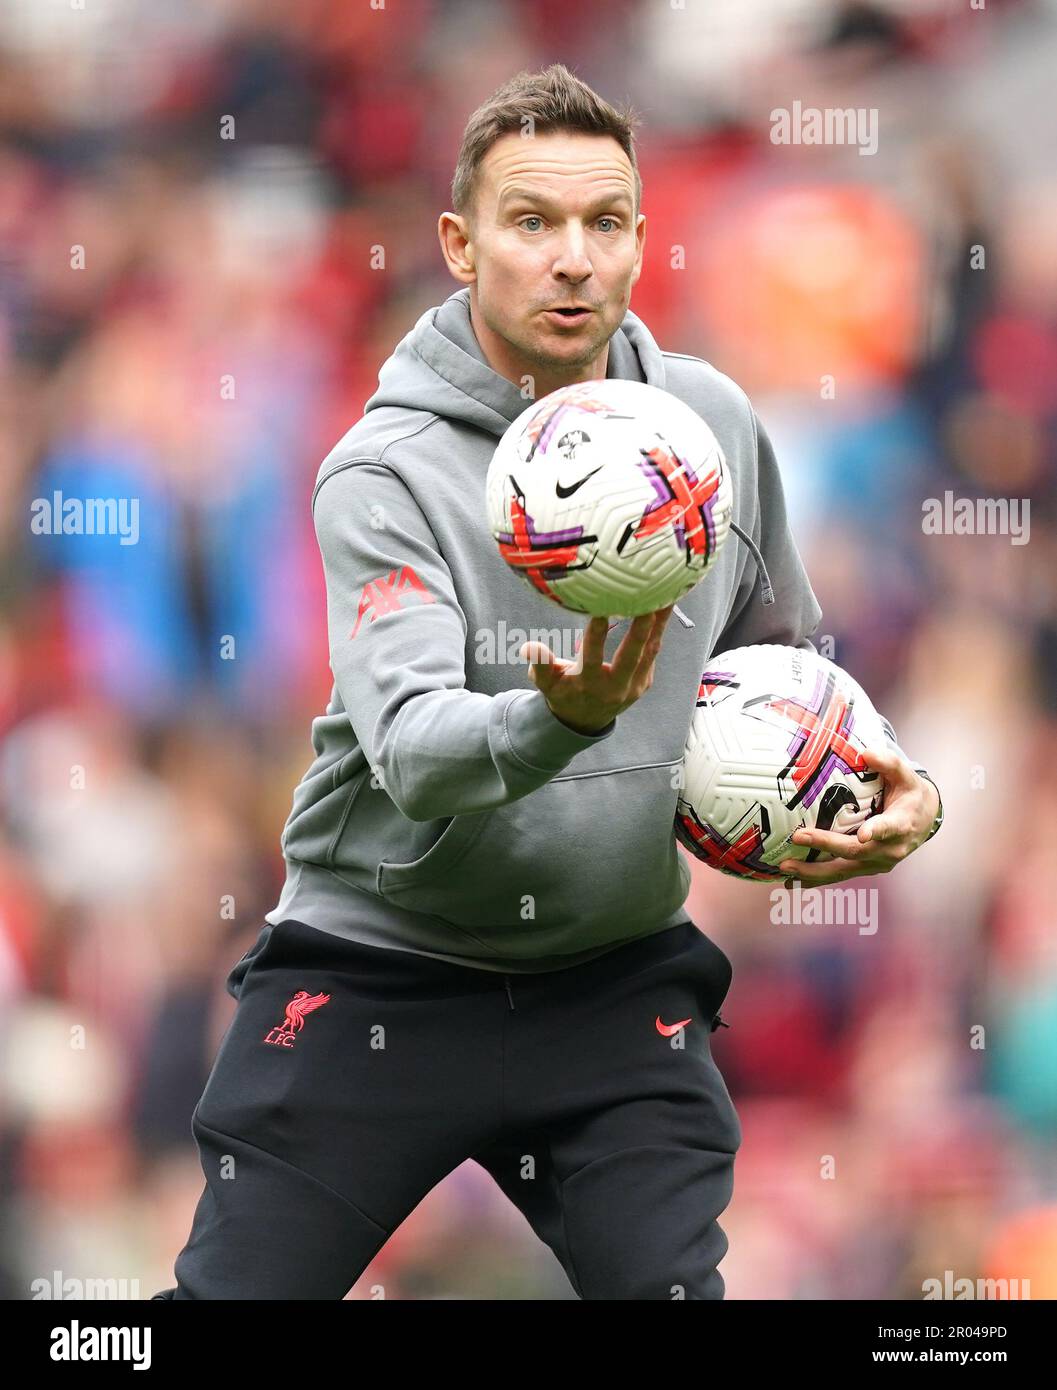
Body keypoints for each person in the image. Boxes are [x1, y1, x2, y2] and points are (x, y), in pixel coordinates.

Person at [154, 64, 942, 1301]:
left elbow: (784, 665)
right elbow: (413, 749)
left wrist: (896, 791)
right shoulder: (385, 472)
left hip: (611, 982)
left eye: (604, 221)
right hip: (378, 974)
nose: (573, 258)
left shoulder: (712, 427)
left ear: (638, 240)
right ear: (461, 246)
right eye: (532, 222)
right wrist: (560, 718)